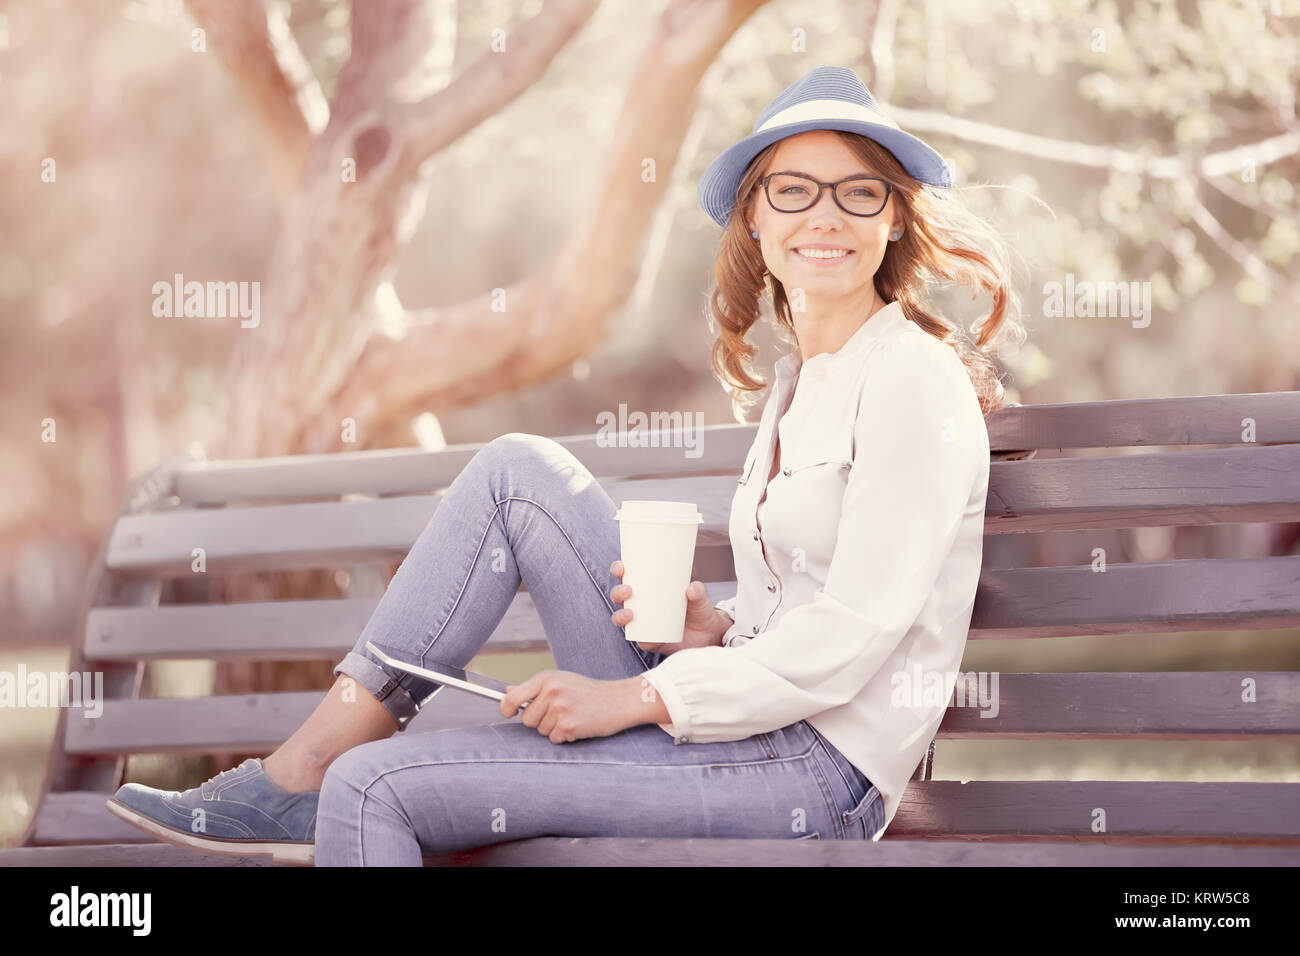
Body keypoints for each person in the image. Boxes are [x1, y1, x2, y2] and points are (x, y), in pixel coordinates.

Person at [107, 65, 1022, 866]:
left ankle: (305, 780)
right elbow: (804, 609)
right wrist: (719, 630)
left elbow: (853, 638)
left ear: (894, 219)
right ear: (754, 212)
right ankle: (297, 769)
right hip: (743, 720)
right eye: (794, 191)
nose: (826, 215)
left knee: (373, 790)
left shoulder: (911, 380)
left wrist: (630, 696)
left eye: (859, 193)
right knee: (517, 472)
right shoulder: (803, 381)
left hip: (812, 773)